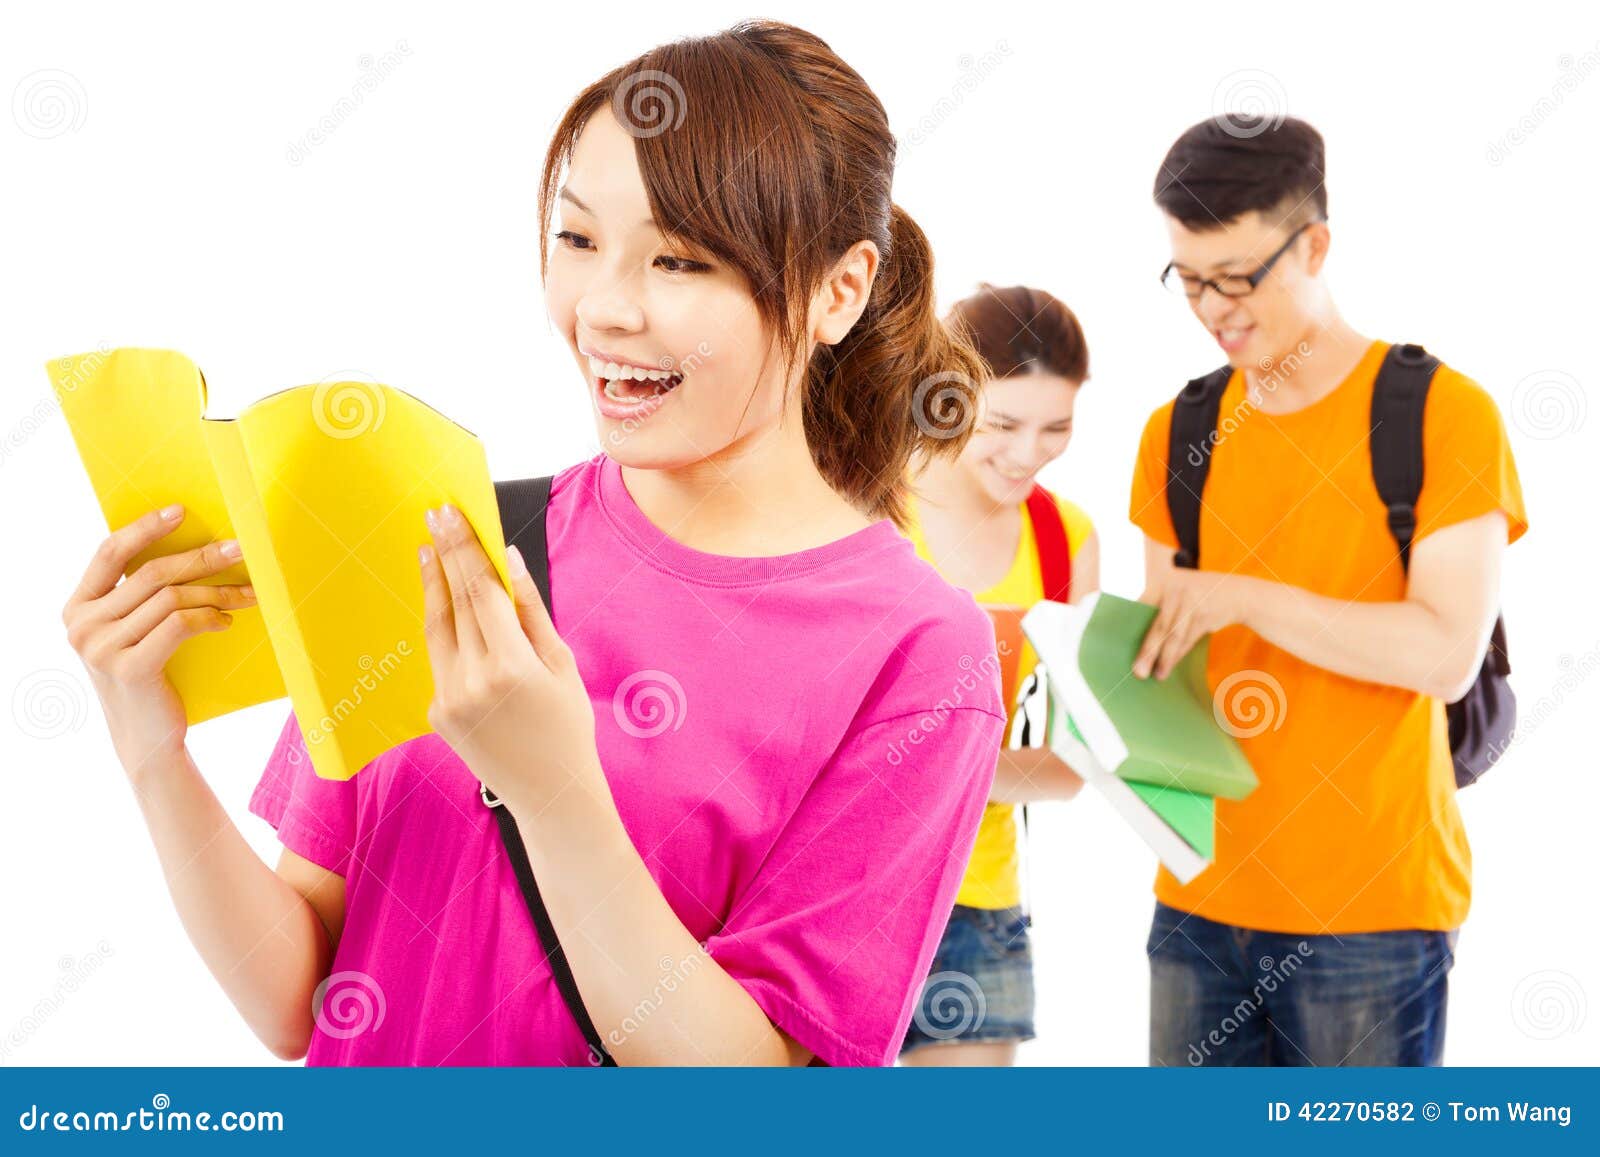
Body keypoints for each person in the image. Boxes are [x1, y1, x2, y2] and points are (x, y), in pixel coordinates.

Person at [60, 20, 1008, 1066]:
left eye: (680, 259)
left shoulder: (920, 650)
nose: (603, 308)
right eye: (577, 239)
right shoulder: (455, 536)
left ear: (838, 289)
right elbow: (304, 996)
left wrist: (555, 787)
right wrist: (152, 747)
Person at [1129, 114, 1528, 1066]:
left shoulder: (1442, 414)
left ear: (1315, 245)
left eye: (1237, 278)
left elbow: (1443, 655)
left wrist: (1246, 598)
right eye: (1189, 281)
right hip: (1195, 909)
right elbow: (1163, 668)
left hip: (1373, 917)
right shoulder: (1178, 432)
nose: (1214, 308)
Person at [898, 284, 1096, 1065]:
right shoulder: (862, 502)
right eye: (1005, 424)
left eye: (1058, 428)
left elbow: (1072, 764)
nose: (1028, 454)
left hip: (977, 902)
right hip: (831, 895)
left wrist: (933, 768)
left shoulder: (1063, 539)